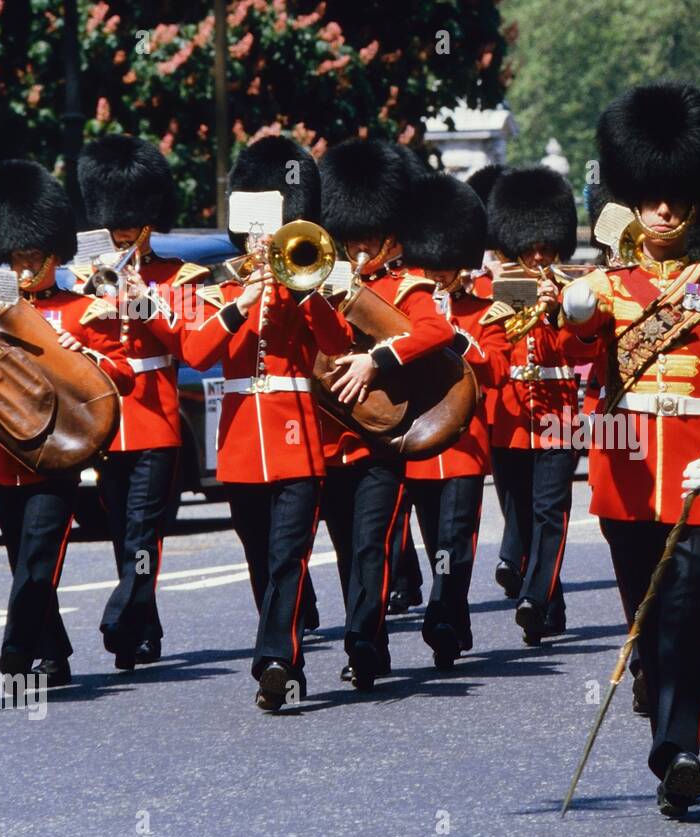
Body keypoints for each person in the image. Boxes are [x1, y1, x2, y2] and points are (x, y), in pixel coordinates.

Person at [561, 81, 700, 816]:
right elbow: (580, 351)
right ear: (634, 199)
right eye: (650, 196)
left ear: (691, 201)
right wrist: (576, 315)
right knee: (648, 619)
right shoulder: (606, 288)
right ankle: (667, 728)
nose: (661, 209)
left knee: (692, 620)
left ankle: (680, 750)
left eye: (673, 196)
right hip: (627, 471)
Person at [183, 136, 357, 710]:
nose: (264, 242)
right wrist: (240, 303)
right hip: (238, 445)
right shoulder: (222, 288)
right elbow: (195, 350)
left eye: (273, 230)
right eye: (256, 231)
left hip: (295, 444)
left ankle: (275, 661)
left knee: (288, 555)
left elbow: (337, 343)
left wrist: (304, 295)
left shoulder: (301, 282)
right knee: (260, 556)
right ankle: (287, 650)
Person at [0, 160, 136, 687]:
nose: (24, 267)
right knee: (22, 558)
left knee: (40, 559)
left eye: (33, 257)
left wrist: (82, 351)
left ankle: (17, 650)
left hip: (56, 456)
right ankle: (53, 653)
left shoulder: (82, 309)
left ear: (52, 255)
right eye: (16, 256)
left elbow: (123, 377)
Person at [316, 137, 456, 680]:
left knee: (373, 545)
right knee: (348, 547)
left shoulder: (403, 285)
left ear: (388, 235)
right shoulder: (322, 283)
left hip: (381, 438)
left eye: (366, 238)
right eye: (349, 237)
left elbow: (435, 329)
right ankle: (367, 635)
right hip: (333, 437)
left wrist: (377, 359)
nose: (356, 248)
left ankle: (363, 642)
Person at [75, 134, 211, 671]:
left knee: (143, 527)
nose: (121, 231)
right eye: (114, 224)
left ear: (149, 222)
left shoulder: (177, 278)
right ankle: (144, 626)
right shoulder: (90, 278)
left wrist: (144, 300)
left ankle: (121, 613)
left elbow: (192, 346)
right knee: (120, 526)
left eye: (129, 223)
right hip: (108, 421)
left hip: (156, 417)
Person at [395, 173, 510, 655]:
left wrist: (458, 338)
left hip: (463, 445)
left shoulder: (487, 310)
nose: (439, 273)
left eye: (447, 266)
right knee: (433, 540)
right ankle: (454, 620)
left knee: (454, 540)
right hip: (420, 441)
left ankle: (442, 615)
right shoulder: (405, 306)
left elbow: (498, 371)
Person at [484, 166, 581, 645]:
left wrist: (561, 309)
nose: (539, 254)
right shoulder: (495, 292)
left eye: (546, 246)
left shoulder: (575, 290)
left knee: (550, 511)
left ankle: (534, 598)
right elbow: (488, 355)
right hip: (509, 416)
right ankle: (550, 604)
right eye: (531, 246)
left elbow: (585, 348)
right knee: (519, 514)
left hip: (559, 415)